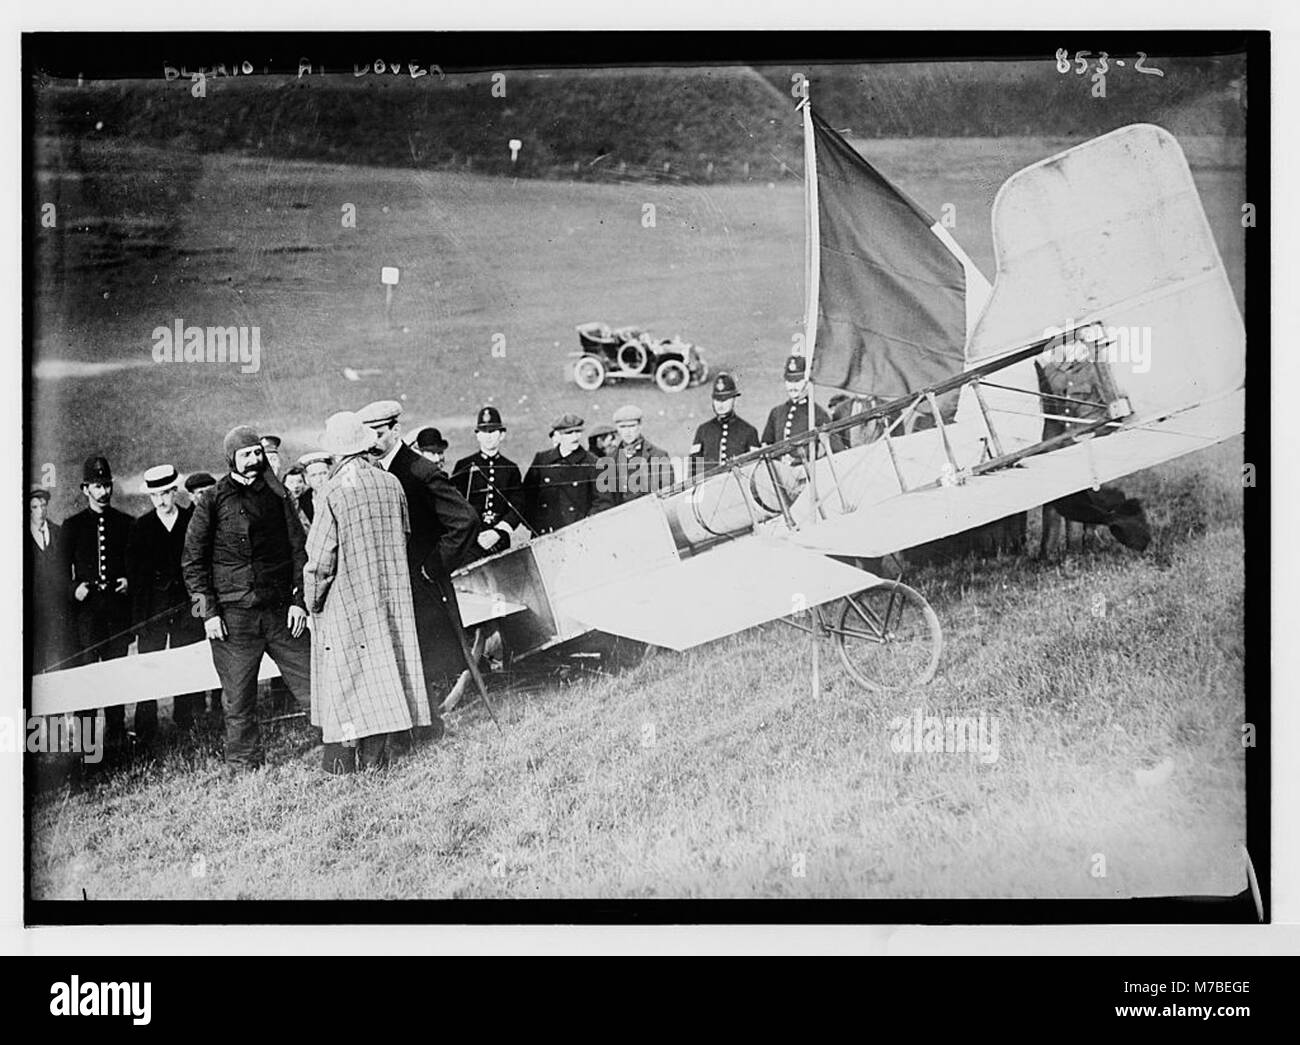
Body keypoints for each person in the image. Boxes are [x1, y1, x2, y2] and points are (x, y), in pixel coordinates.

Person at [305, 412, 432, 773]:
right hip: (391, 595)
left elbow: (319, 559)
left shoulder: (331, 491)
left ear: (336, 452)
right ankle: (378, 760)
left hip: (346, 599)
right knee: (381, 673)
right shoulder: (391, 483)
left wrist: (313, 601)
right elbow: (405, 537)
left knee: (348, 679)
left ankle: (345, 763)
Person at [181, 426, 312, 771]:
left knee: (313, 678)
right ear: (231, 460)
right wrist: (207, 614)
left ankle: (337, 741)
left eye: (257, 453)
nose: (254, 461)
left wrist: (299, 601)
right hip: (233, 621)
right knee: (238, 698)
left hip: (282, 612)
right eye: (246, 455)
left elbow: (300, 550)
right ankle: (243, 762)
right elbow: (192, 563)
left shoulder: (279, 495)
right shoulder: (211, 500)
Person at [358, 400, 478, 718]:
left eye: (379, 433)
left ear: (396, 430)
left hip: (420, 583)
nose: (372, 442)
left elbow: (464, 520)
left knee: (427, 653)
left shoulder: (420, 471)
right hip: (394, 583)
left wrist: (431, 567)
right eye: (366, 434)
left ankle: (428, 719)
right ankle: (417, 718)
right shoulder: (376, 471)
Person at [128, 465, 207, 738]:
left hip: (188, 609)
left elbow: (203, 567)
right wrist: (140, 622)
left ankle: (188, 720)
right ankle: (145, 727)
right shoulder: (141, 527)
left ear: (175, 491)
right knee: (150, 666)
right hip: (154, 611)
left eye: (165, 493)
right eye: (154, 495)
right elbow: (136, 580)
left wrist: (201, 612)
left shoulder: (192, 520)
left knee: (189, 663)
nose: (161, 500)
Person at [64, 456, 136, 753]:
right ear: (85, 489)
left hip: (116, 615)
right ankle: (86, 746)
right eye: (97, 486)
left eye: (107, 485)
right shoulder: (73, 526)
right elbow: (57, 571)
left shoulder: (125, 523)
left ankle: (118, 736)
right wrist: (73, 589)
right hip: (88, 617)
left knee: (116, 676)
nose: (104, 491)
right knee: (88, 679)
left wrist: (128, 580)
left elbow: (135, 564)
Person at [450, 406, 525, 560]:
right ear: (477, 435)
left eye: (493, 431)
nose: (488, 436)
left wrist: (499, 532)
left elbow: (518, 505)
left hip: (499, 541)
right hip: (470, 541)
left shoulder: (511, 468)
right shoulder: (463, 465)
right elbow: (455, 504)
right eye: (484, 432)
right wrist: (473, 533)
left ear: (502, 435)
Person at [522, 413, 600, 535]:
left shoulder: (592, 463)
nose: (575, 437)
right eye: (569, 433)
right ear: (557, 435)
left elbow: (601, 502)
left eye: (578, 432)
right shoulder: (542, 460)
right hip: (544, 534)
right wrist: (536, 526)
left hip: (578, 534)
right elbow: (527, 496)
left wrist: (586, 527)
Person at [593, 404, 675, 511]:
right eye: (622, 427)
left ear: (640, 426)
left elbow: (667, 494)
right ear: (617, 429)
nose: (627, 432)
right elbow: (605, 500)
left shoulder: (659, 456)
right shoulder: (609, 461)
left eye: (632, 426)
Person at [26, 487, 71, 676]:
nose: (40, 511)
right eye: (35, 507)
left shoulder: (58, 532)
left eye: (43, 506)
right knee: (36, 656)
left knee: (58, 653)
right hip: (34, 608)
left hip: (57, 606)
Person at [688, 372, 761, 480]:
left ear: (734, 400)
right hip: (709, 490)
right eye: (717, 400)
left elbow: (755, 470)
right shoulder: (703, 430)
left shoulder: (748, 431)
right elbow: (694, 468)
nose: (720, 405)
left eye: (725, 399)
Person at [761, 355, 832, 448]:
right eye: (789, 381)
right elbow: (766, 445)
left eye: (797, 381)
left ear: (807, 383)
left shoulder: (818, 414)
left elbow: (834, 449)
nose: (792, 386)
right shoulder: (776, 412)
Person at [297, 451, 333, 526]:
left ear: (330, 474)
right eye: (313, 475)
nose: (319, 480)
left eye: (323, 473)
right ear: (307, 479)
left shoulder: (339, 496)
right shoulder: (302, 502)